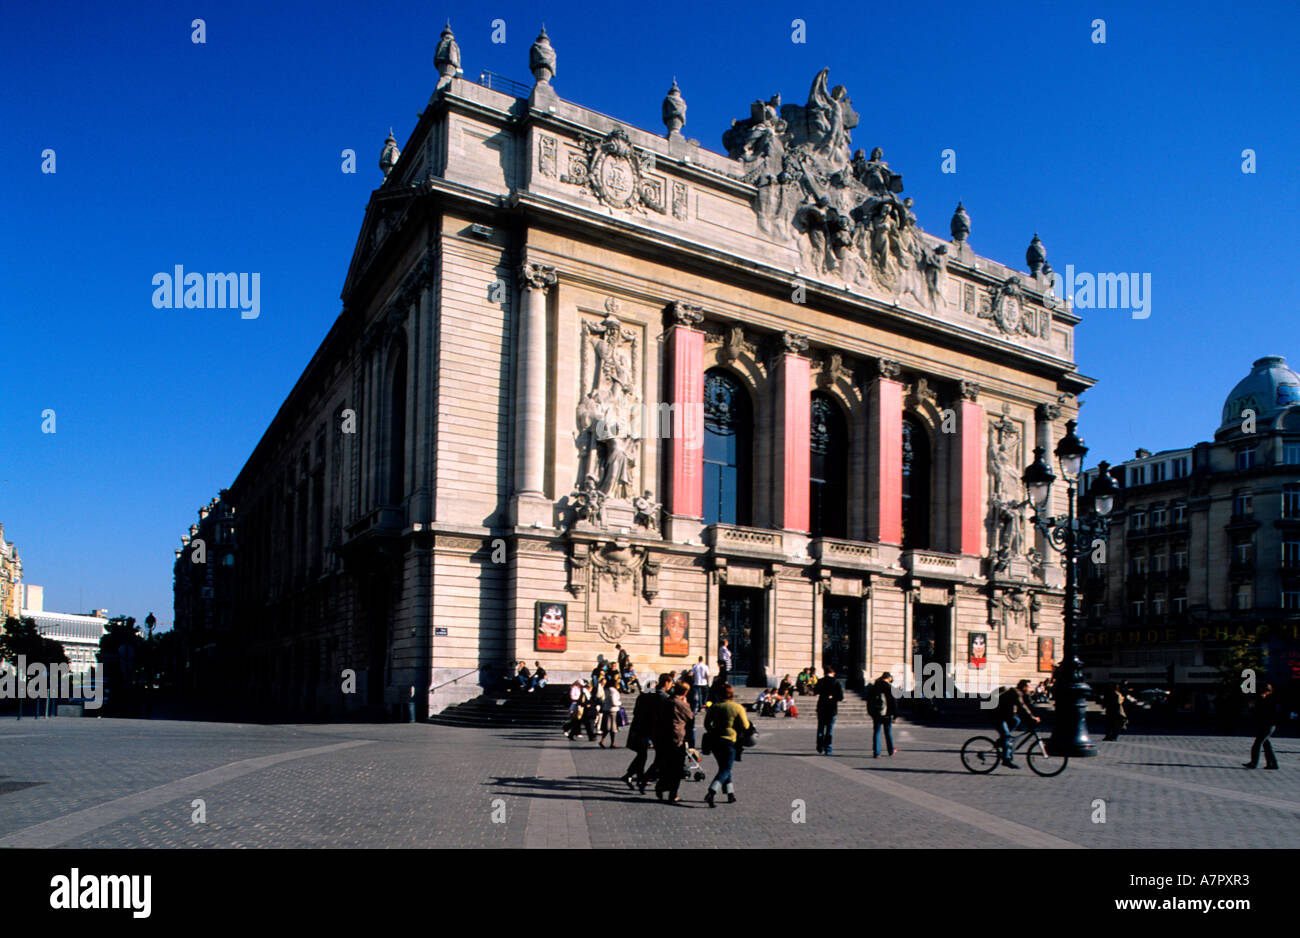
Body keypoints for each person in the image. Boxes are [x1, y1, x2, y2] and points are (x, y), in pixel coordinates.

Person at [704, 683, 751, 807]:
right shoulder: (737, 707)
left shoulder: (714, 707)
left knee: (724, 767)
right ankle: (711, 792)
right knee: (726, 769)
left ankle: (730, 794)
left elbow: (707, 724)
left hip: (715, 741)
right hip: (730, 740)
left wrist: (713, 731)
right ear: (732, 694)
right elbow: (746, 726)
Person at [623, 676, 667, 791]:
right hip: (642, 729)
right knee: (642, 754)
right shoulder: (649, 698)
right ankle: (637, 777)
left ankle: (631, 775)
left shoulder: (642, 697)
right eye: (653, 686)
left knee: (642, 754)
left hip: (639, 727)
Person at [654, 683, 693, 804]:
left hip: (663, 735)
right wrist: (686, 703)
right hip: (677, 737)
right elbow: (690, 717)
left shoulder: (667, 700)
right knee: (677, 767)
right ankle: (672, 794)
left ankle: (661, 785)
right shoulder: (680, 703)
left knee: (666, 764)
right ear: (685, 692)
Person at [995, 680, 1039, 768]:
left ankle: (1002, 741)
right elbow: (1022, 707)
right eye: (1029, 687)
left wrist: (1031, 717)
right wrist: (1032, 718)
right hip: (996, 715)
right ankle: (1006, 759)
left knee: (1016, 721)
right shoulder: (1015, 693)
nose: (1030, 689)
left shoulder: (1021, 694)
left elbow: (1027, 706)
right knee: (1006, 735)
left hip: (1005, 715)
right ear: (1024, 687)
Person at [1243, 684, 1281, 770]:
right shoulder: (1264, 699)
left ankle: (1254, 763)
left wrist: (1254, 705)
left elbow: (1261, 711)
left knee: (1257, 744)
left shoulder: (1269, 699)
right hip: (1267, 725)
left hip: (1268, 725)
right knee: (1266, 745)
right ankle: (1273, 764)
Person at [867, 671, 897, 758]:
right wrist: (895, 715)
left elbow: (869, 701)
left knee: (877, 732)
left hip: (877, 713)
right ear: (888, 678)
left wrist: (871, 712)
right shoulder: (890, 687)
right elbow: (894, 703)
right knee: (888, 732)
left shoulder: (874, 687)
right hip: (887, 714)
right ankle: (891, 750)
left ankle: (876, 752)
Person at [815, 668, 844, 755]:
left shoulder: (820, 681)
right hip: (831, 709)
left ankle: (820, 746)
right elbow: (841, 697)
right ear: (832, 672)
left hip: (821, 708)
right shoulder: (836, 682)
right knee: (829, 729)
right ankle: (828, 749)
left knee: (820, 728)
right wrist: (833, 697)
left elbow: (815, 691)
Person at [599, 678, 622, 748]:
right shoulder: (613, 691)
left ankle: (605, 741)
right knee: (612, 728)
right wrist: (619, 703)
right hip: (612, 710)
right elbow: (614, 702)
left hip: (606, 709)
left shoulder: (606, 690)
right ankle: (610, 742)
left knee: (608, 727)